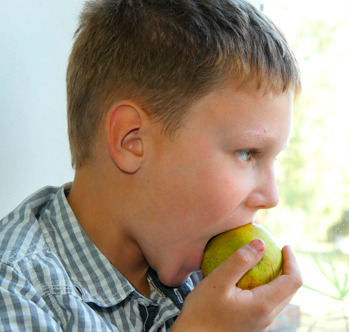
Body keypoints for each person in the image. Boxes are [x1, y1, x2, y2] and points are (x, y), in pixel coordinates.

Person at [0, 0, 302, 330]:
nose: (271, 196)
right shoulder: (15, 292)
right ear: (132, 140)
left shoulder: (212, 286)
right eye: (247, 153)